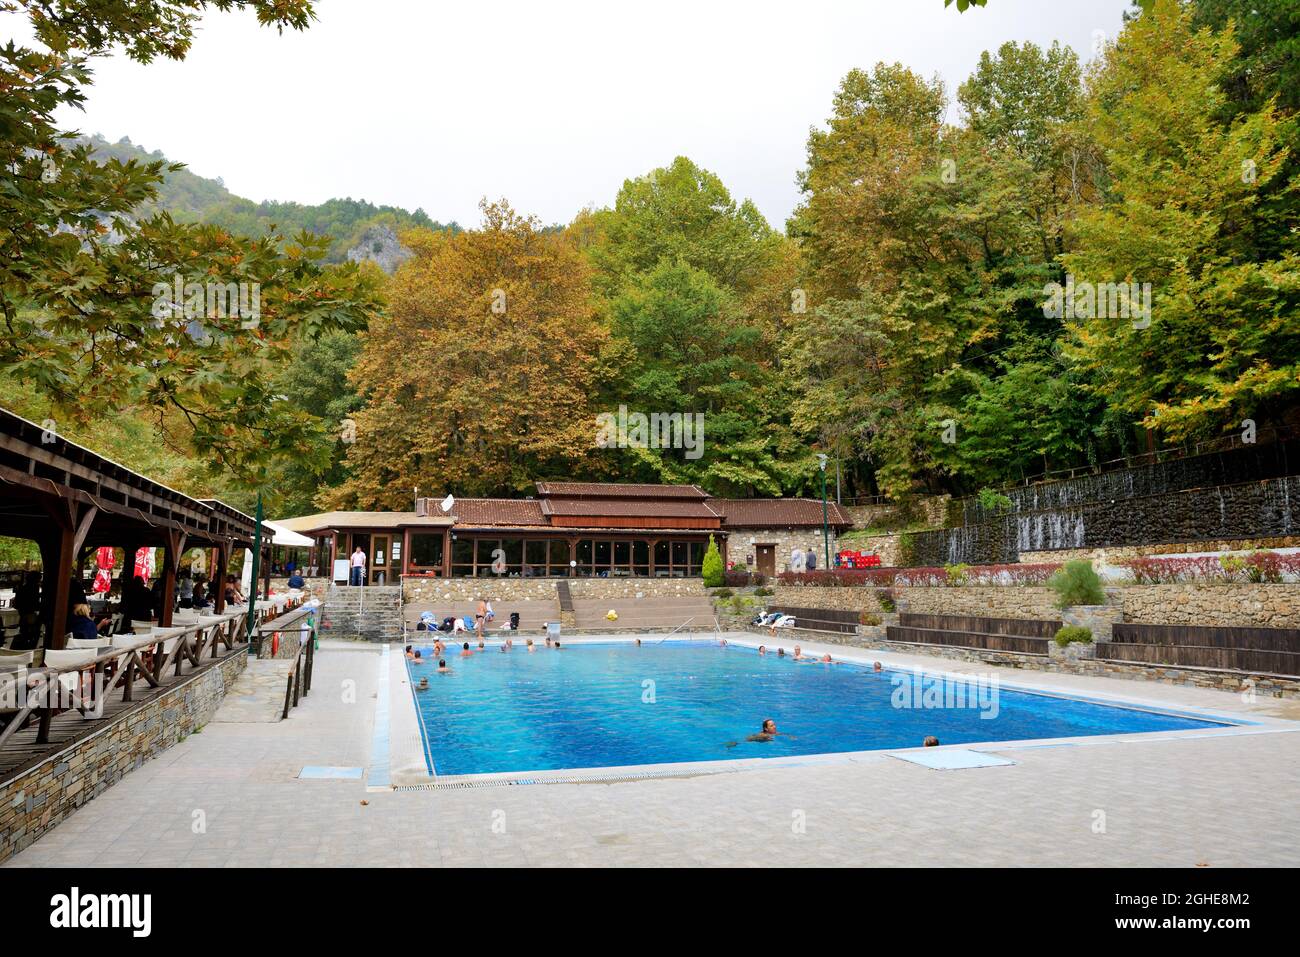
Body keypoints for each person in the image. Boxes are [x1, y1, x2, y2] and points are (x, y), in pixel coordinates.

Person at [13, 571, 42, 650]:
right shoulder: (34, 587)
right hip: (30, 614)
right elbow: (35, 603)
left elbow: (17, 604)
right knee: (31, 634)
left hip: (23, 614)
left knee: (24, 634)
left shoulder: (22, 587)